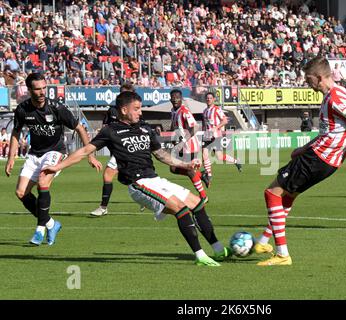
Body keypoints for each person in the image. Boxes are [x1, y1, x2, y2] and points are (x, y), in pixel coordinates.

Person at [42, 91, 232, 266]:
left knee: (197, 203)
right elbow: (84, 151)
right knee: (180, 209)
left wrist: (185, 164)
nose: (140, 113)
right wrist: (57, 167)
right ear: (124, 110)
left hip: (155, 179)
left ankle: (217, 249)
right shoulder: (110, 131)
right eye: (137, 109)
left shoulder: (145, 128)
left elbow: (161, 155)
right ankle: (200, 256)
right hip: (138, 184)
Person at [253, 56, 346, 266]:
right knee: (287, 195)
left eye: (309, 79)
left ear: (320, 78)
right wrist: (303, 149)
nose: (308, 83)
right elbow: (330, 131)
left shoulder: (335, 98)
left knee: (271, 194)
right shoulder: (337, 93)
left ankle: (282, 254)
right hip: (323, 159)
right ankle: (263, 241)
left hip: (319, 158)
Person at [4, 72, 102, 246]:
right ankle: (51, 223)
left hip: (55, 152)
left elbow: (79, 128)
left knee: (43, 180)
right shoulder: (22, 109)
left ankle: (40, 229)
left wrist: (91, 155)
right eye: (38, 89)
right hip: (35, 154)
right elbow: (16, 132)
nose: (42, 92)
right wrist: (11, 157)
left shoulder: (57, 108)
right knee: (20, 193)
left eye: (44, 88)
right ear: (29, 90)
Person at [91, 83, 137, 216]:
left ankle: (103, 207)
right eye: (121, 93)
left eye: (126, 94)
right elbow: (106, 126)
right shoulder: (112, 110)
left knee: (108, 175)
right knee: (133, 178)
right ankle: (151, 200)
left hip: (127, 148)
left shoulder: (134, 112)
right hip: (118, 149)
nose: (122, 96)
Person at [169, 89, 207, 201]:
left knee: (189, 170)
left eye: (177, 97)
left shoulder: (184, 111)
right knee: (173, 168)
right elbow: (174, 126)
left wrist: (183, 141)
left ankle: (203, 196)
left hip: (190, 145)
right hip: (181, 146)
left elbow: (195, 127)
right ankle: (201, 175)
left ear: (181, 99)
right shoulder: (173, 110)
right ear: (170, 99)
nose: (175, 99)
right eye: (173, 97)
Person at [201, 92, 242, 187]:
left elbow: (224, 120)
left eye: (210, 98)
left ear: (213, 99)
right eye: (207, 98)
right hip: (207, 135)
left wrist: (216, 128)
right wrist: (204, 131)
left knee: (219, 157)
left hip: (216, 136)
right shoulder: (204, 111)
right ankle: (209, 175)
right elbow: (205, 123)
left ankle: (236, 161)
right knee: (204, 155)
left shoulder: (216, 109)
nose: (208, 99)